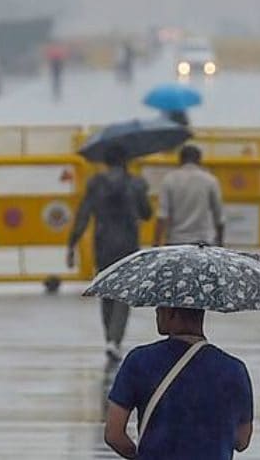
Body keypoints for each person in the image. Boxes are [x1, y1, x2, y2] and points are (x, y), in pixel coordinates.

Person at [104, 306, 253, 460]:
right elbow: (242, 440)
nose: (156, 311)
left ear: (171, 312)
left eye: (160, 306)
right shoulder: (234, 370)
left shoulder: (139, 361)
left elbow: (113, 434)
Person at [68, 145, 154, 361]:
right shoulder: (135, 183)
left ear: (105, 161)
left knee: (106, 291)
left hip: (103, 243)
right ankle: (115, 340)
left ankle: (109, 338)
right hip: (128, 244)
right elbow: (146, 214)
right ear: (126, 161)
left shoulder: (96, 183)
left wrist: (72, 244)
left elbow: (84, 214)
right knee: (124, 293)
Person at [155, 145, 225, 247]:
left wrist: (156, 242)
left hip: (175, 241)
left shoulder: (169, 179)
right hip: (203, 242)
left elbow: (162, 215)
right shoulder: (210, 180)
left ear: (180, 160)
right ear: (199, 160)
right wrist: (219, 241)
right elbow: (219, 216)